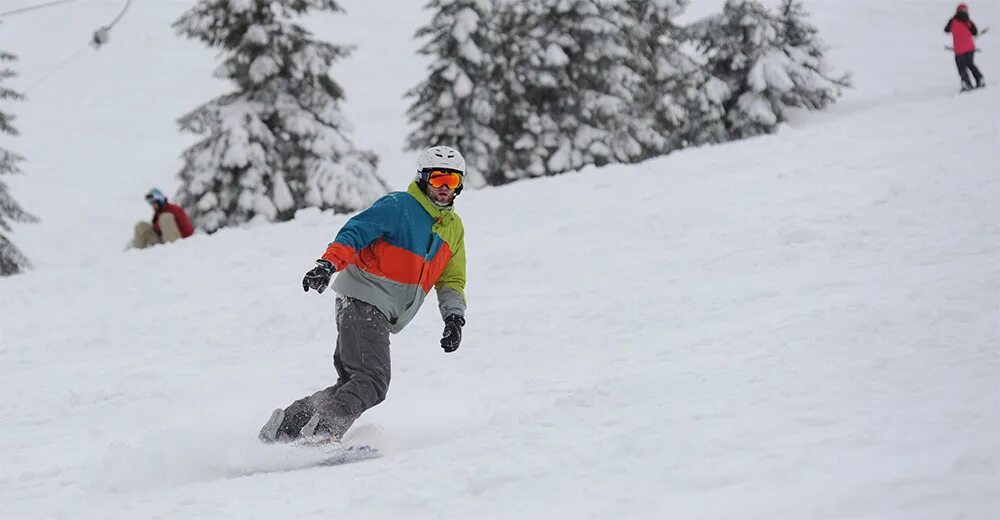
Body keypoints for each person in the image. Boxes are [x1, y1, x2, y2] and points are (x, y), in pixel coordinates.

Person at [259, 146, 469, 444]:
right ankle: (322, 434)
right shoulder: (399, 206)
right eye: (438, 180)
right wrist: (328, 264)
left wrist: (454, 318)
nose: (445, 188)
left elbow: (451, 279)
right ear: (423, 179)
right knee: (372, 381)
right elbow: (355, 232)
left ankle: (287, 427)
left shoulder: (453, 229)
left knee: (353, 382)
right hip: (365, 299)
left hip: (372, 307)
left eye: (452, 180)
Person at [945, 3, 985, 91]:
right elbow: (975, 32)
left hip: (959, 49)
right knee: (970, 64)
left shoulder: (953, 21)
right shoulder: (968, 21)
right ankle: (980, 79)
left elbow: (946, 30)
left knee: (961, 67)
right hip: (970, 48)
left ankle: (967, 84)